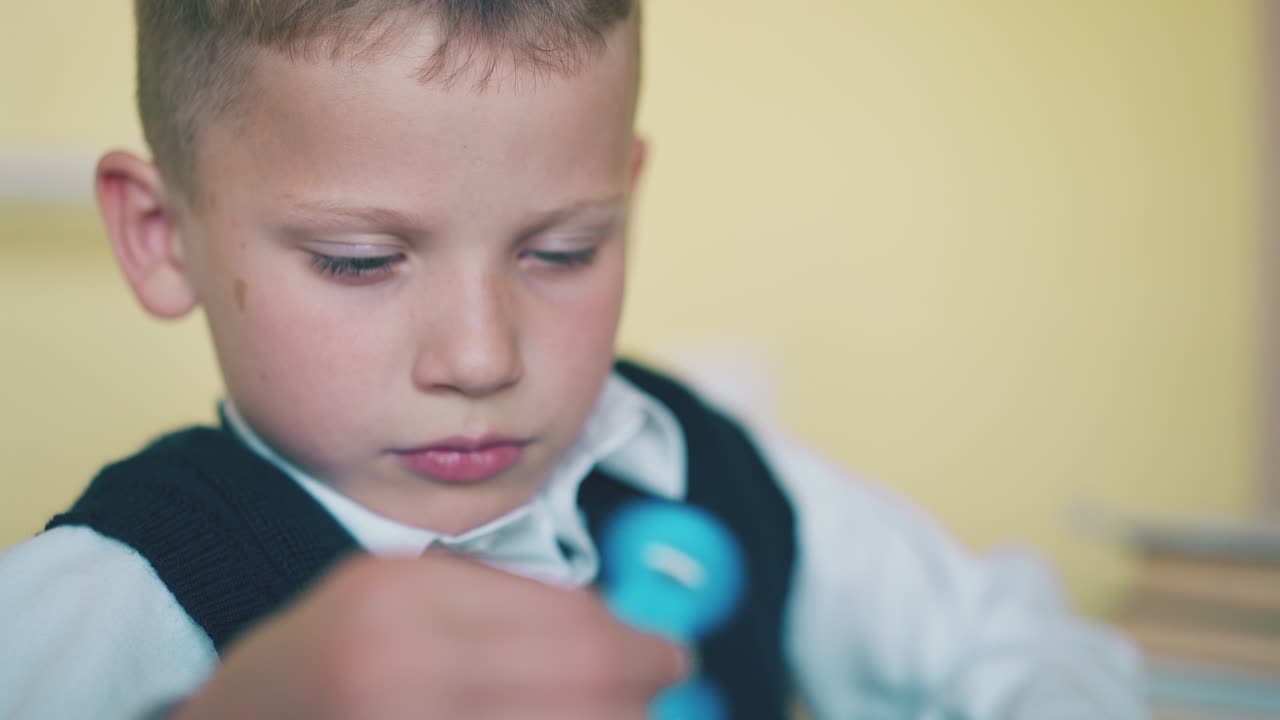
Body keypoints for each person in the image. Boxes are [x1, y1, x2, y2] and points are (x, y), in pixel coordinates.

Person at [0, 1, 1144, 718]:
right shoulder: (107, 598)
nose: (480, 355)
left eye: (562, 250)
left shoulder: (703, 469)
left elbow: (1015, 640)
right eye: (358, 261)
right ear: (162, 237)